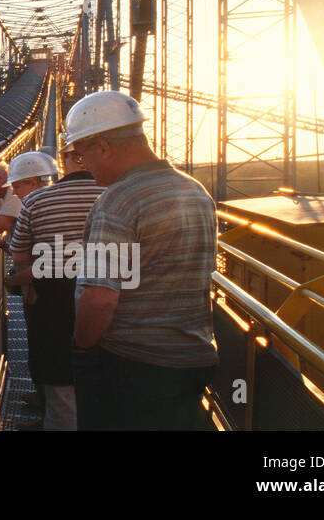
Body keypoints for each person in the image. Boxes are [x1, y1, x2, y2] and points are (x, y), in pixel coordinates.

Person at [63, 90, 218, 431]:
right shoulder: (195, 190)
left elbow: (100, 298)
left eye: (79, 153)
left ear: (103, 146)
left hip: (132, 365)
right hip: (191, 357)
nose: (80, 164)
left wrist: (81, 346)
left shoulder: (117, 201)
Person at [1, 147, 103, 431]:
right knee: (99, 368)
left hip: (54, 299)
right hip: (110, 294)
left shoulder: (37, 200)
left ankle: (57, 422)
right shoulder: (115, 193)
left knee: (58, 369)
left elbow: (21, 258)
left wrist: (13, 278)